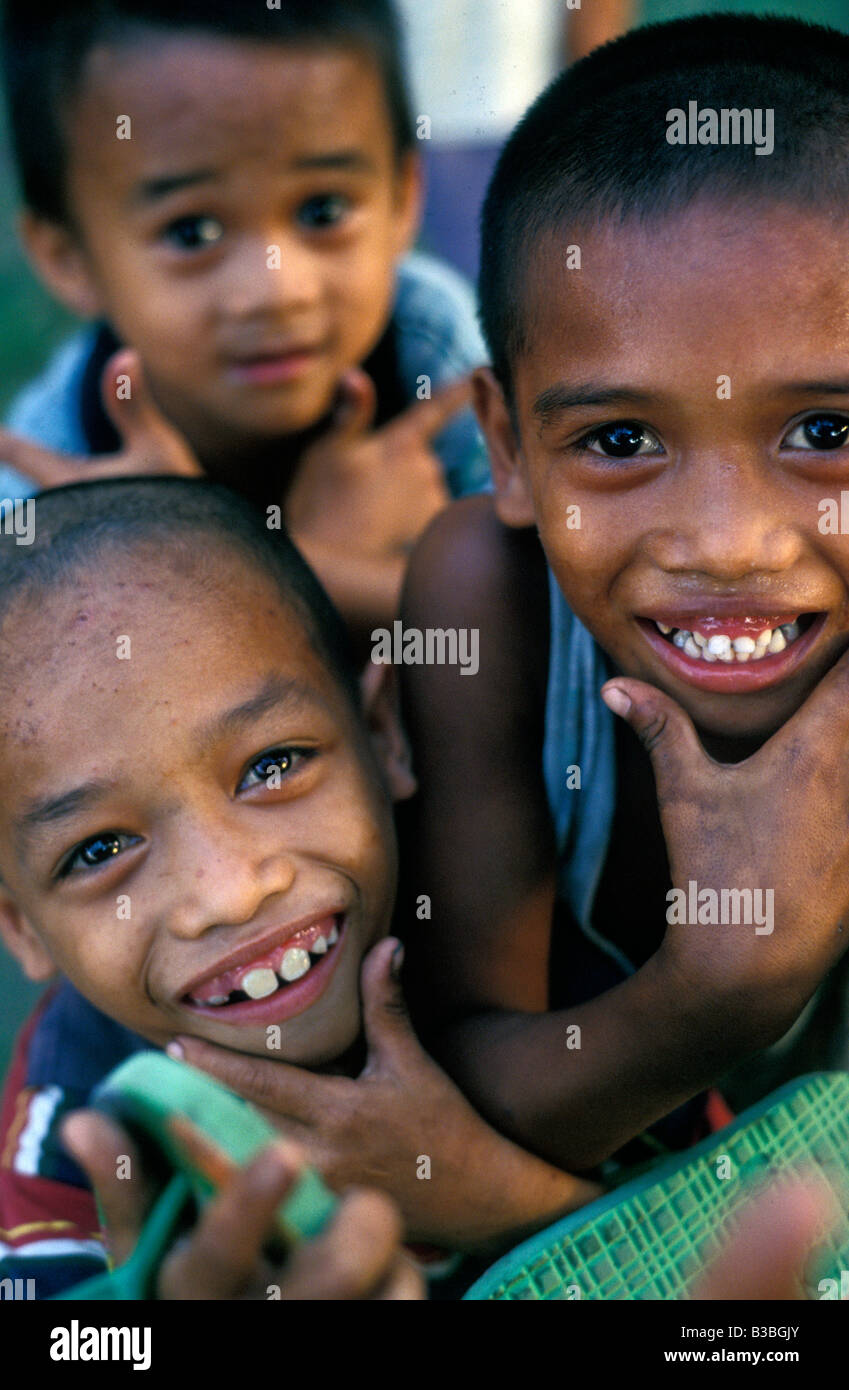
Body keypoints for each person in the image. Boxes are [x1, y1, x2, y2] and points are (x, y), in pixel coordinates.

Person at [399, 14, 849, 1173]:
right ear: (504, 444)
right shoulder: (488, 596)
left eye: (823, 430)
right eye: (620, 438)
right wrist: (716, 993)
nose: (727, 545)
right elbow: (466, 1074)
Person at [0, 478, 596, 1298]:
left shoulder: (526, 935)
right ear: (19, 926)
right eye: (99, 848)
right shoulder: (76, 1120)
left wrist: (499, 1202)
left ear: (382, 733)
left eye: (271, 767)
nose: (229, 892)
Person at [0, 0, 490, 642]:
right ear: (69, 257)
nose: (276, 290)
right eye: (191, 231)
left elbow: (557, 616)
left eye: (322, 210)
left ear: (402, 198)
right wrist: (308, 561)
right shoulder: (49, 477)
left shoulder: (431, 346)